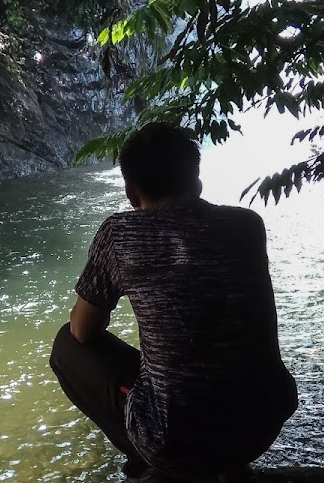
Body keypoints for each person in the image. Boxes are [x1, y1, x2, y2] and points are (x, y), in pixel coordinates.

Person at [49, 122, 299, 482]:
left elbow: (83, 331)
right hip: (262, 425)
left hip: (175, 441)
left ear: (131, 193)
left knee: (66, 345)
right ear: (197, 184)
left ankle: (151, 464)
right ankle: (231, 466)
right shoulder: (247, 225)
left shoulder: (119, 234)